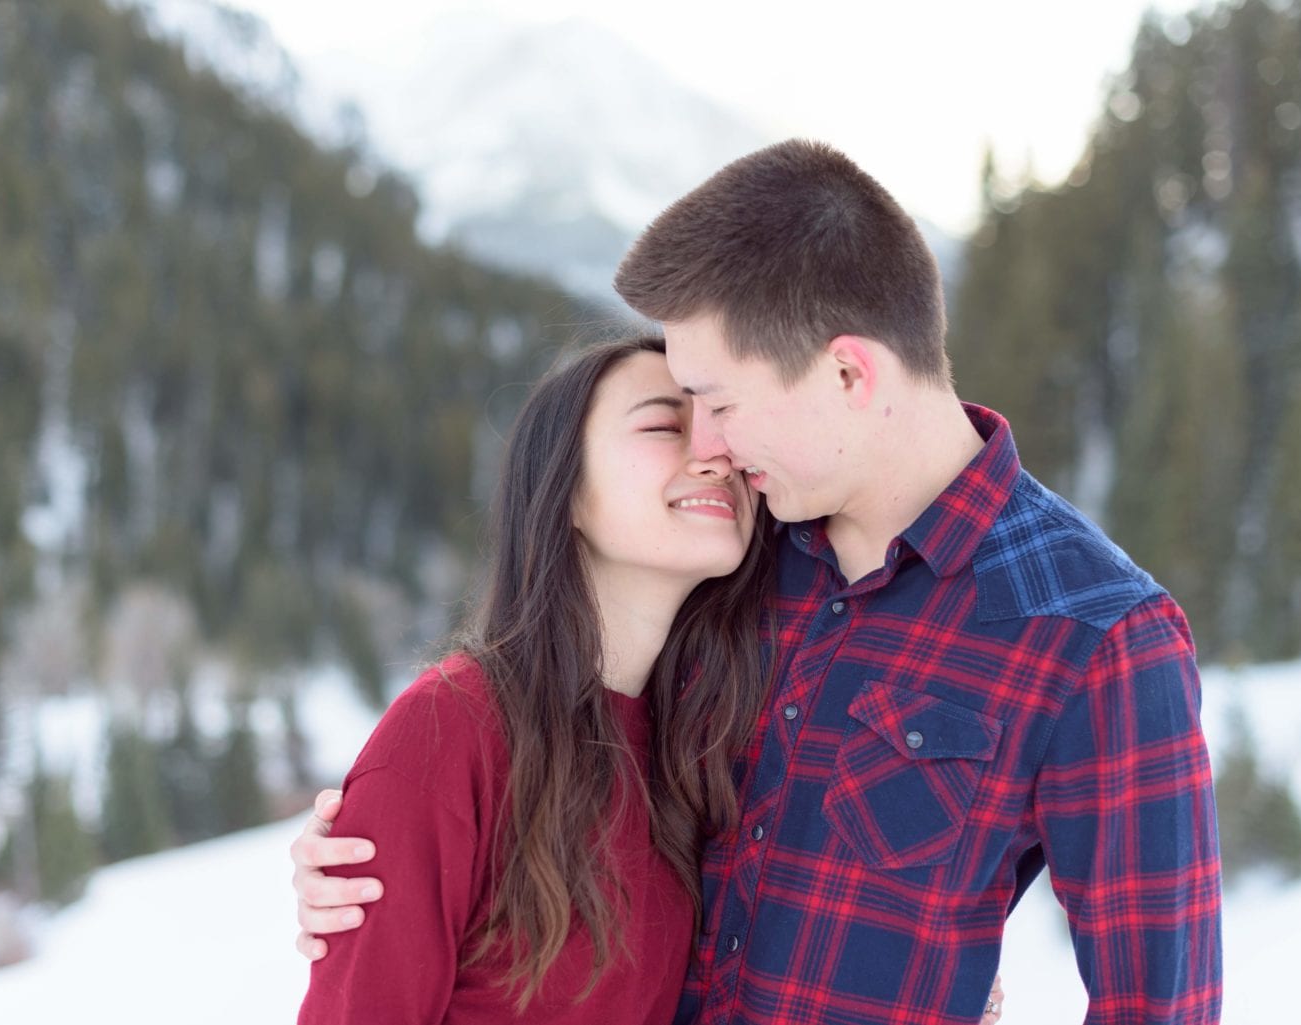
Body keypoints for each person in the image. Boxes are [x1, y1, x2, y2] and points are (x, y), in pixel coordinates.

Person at [294, 140, 1217, 1023]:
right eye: (683, 411)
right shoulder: (732, 564)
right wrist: (373, 860)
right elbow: (548, 763)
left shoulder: (1095, 637)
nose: (710, 448)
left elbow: (1159, 1005)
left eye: (722, 403)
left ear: (848, 371)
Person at [295, 336, 778, 1023]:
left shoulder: (703, 748)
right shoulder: (449, 730)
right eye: (665, 424)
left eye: (724, 428)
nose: (714, 453)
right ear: (567, 491)